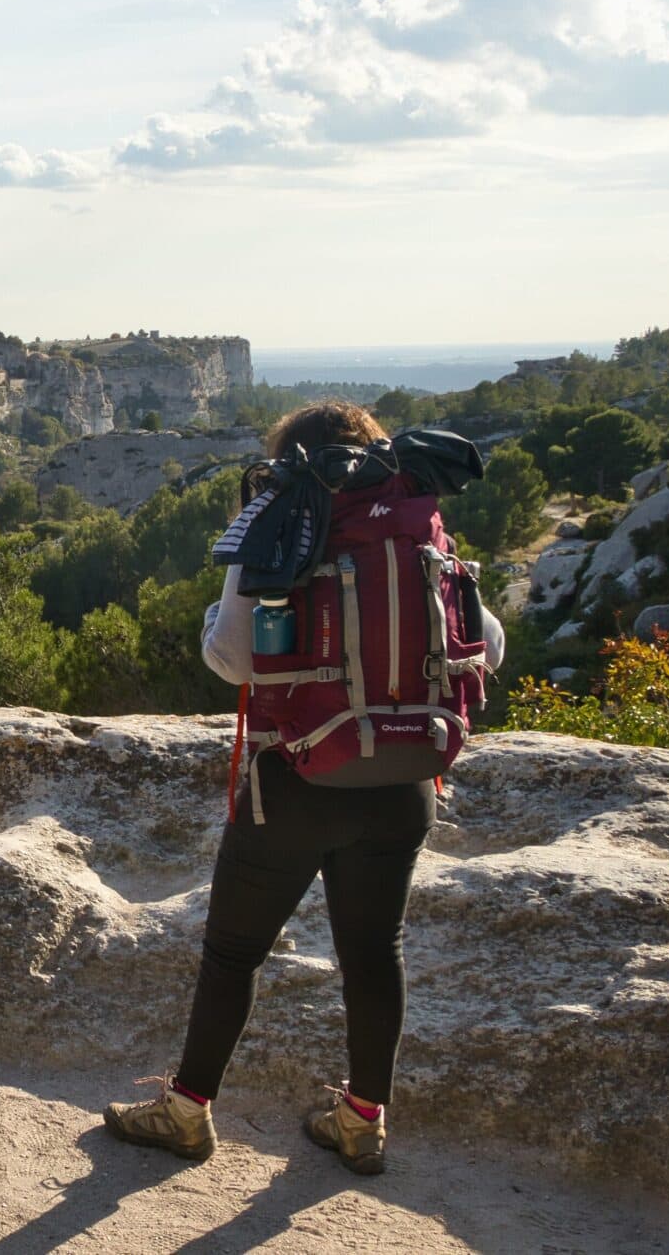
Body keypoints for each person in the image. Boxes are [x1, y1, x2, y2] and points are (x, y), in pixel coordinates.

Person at [101, 400, 505, 1174]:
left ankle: (187, 1112)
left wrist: (222, 613)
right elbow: (484, 645)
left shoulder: (280, 514)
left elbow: (231, 656)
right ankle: (360, 1121)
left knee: (233, 951)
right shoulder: (418, 521)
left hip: (293, 779)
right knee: (374, 950)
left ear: (294, 454)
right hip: (406, 779)